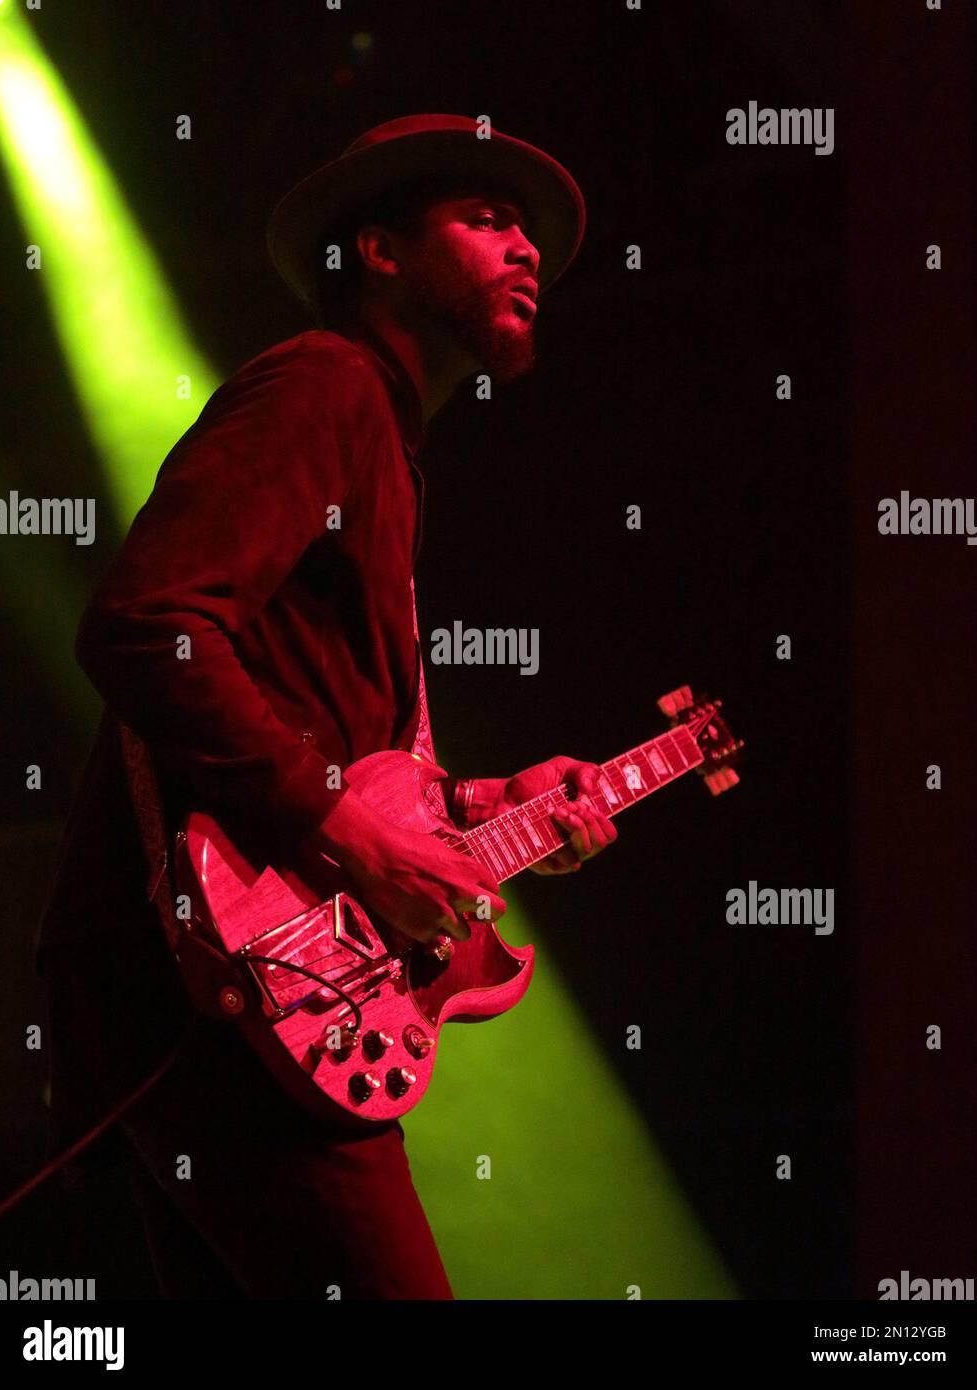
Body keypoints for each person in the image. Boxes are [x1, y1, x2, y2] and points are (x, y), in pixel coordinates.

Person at [34, 113, 617, 1300]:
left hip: (216, 990)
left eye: (530, 237)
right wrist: (338, 827)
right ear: (383, 250)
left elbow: (334, 738)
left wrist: (484, 803)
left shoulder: (386, 449)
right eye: (488, 219)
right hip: (219, 988)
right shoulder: (324, 384)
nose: (527, 254)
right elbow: (147, 622)